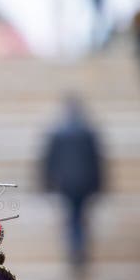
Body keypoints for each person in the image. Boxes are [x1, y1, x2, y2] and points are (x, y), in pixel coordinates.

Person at [41, 96, 104, 271]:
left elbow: (49, 161)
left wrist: (46, 183)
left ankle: (76, 247)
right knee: (78, 216)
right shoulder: (88, 132)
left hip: (66, 183)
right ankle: (78, 247)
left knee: (73, 217)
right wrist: (100, 184)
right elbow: (96, 161)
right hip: (85, 183)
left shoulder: (58, 133)